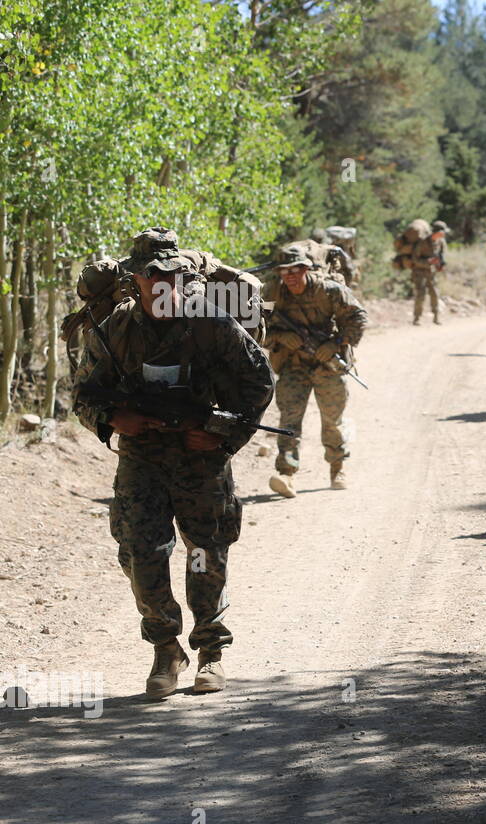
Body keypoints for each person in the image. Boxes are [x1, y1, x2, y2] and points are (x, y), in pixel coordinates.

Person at [71, 227, 274, 699]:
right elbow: (83, 393)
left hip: (202, 459)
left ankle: (210, 652)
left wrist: (223, 434)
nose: (163, 285)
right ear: (136, 280)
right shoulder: (115, 328)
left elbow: (258, 383)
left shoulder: (213, 324)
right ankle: (166, 648)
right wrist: (113, 417)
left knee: (205, 554)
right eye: (152, 277)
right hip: (142, 458)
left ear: (184, 277)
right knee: (142, 553)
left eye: (173, 277)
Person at [262, 244, 369, 497]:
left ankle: (337, 468)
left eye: (295, 270)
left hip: (327, 366)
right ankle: (286, 473)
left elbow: (358, 318)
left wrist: (336, 343)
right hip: (292, 366)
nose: (290, 276)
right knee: (289, 421)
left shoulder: (329, 291)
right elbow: (256, 327)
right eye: (284, 271)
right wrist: (280, 337)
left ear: (306, 268)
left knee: (332, 421)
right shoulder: (271, 293)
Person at [411, 220, 449, 325]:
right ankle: (417, 318)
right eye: (442, 232)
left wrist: (441, 265)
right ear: (437, 232)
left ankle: (436, 317)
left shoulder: (440, 242)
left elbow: (441, 256)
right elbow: (414, 259)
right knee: (420, 295)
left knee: (435, 294)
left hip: (432, 273)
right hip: (419, 272)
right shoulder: (423, 242)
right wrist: (427, 262)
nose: (443, 234)